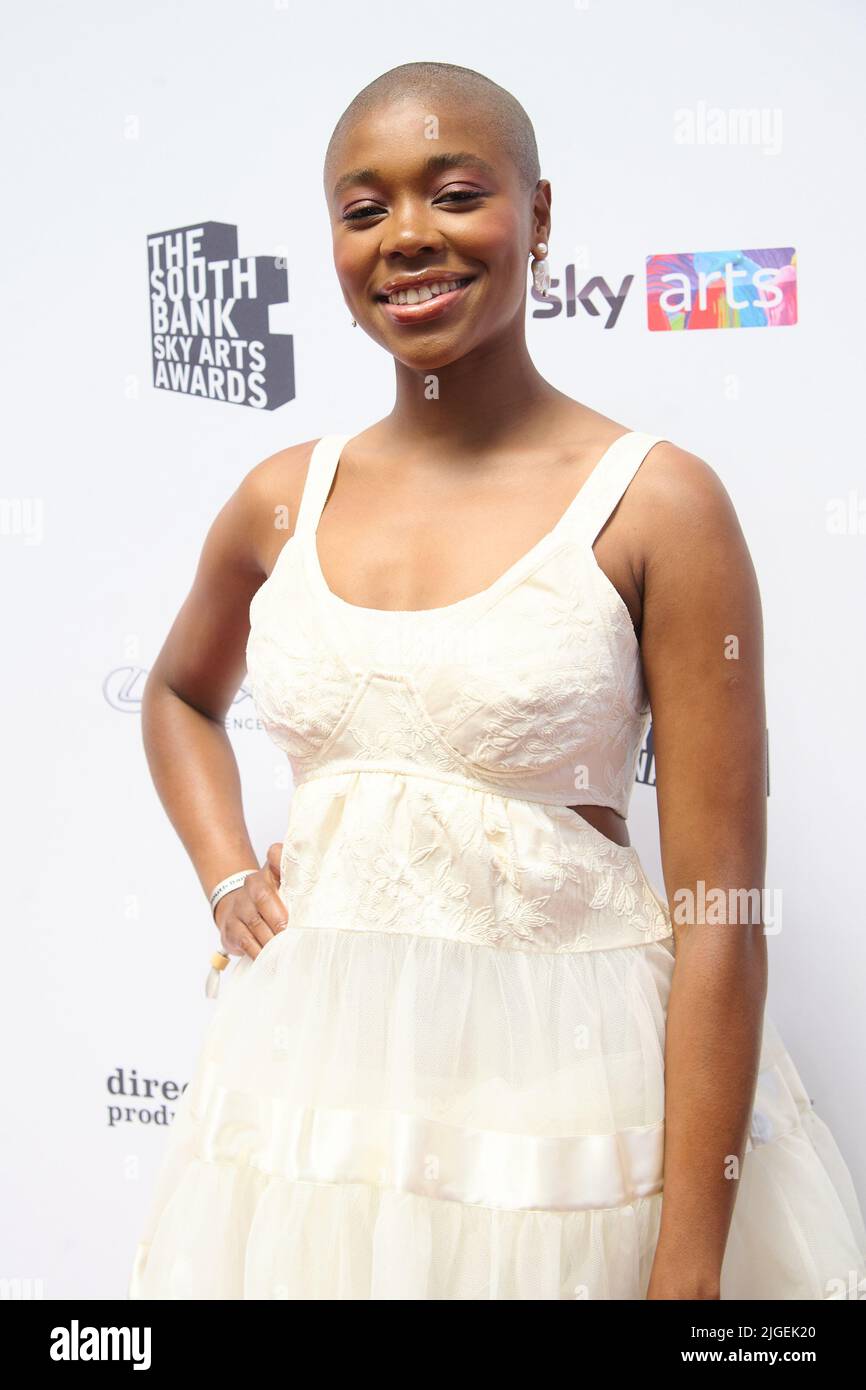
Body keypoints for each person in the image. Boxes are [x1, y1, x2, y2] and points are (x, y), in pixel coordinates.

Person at [127, 61, 866, 1300]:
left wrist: (686, 1271)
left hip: (577, 1129)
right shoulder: (277, 497)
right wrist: (224, 874)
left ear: (537, 216)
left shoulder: (658, 501)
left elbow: (723, 920)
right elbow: (177, 695)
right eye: (363, 210)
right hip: (312, 1120)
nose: (407, 236)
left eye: (453, 193)